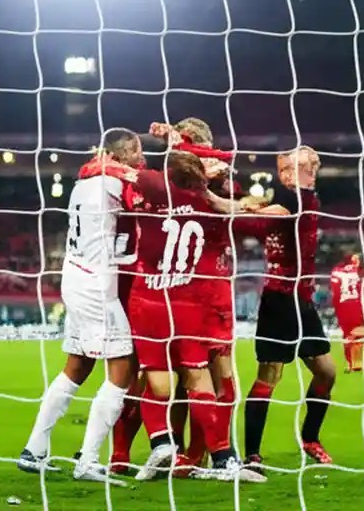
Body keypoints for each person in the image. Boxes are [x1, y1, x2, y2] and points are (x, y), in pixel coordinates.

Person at [122, 150, 266, 483]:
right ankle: (224, 458)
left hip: (149, 297)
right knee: (198, 378)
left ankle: (160, 442)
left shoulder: (151, 189)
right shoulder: (206, 204)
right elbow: (242, 207)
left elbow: (133, 174)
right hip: (189, 300)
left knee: (157, 379)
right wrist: (212, 183)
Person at [17, 128, 143, 485]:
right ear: (125, 152)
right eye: (138, 152)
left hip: (75, 276)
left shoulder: (85, 181)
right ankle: (87, 460)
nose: (141, 159)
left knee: (78, 366)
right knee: (124, 367)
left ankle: (34, 450)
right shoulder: (114, 184)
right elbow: (151, 197)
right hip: (95, 284)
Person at [234, 146, 337, 469]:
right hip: (278, 299)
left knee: (327, 372)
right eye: (280, 170)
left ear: (307, 167)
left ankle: (310, 437)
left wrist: (250, 207)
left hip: (302, 300)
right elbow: (274, 213)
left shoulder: (304, 197)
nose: (283, 175)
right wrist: (239, 206)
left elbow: (278, 210)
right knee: (269, 375)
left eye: (287, 167)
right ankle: (252, 454)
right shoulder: (289, 199)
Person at [330, 254, 364, 373]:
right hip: (356, 304)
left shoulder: (336, 272)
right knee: (358, 333)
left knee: (348, 335)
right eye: (357, 259)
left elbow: (335, 292)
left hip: (343, 305)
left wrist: (336, 307)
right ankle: (356, 363)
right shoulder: (358, 272)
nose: (359, 261)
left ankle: (351, 363)